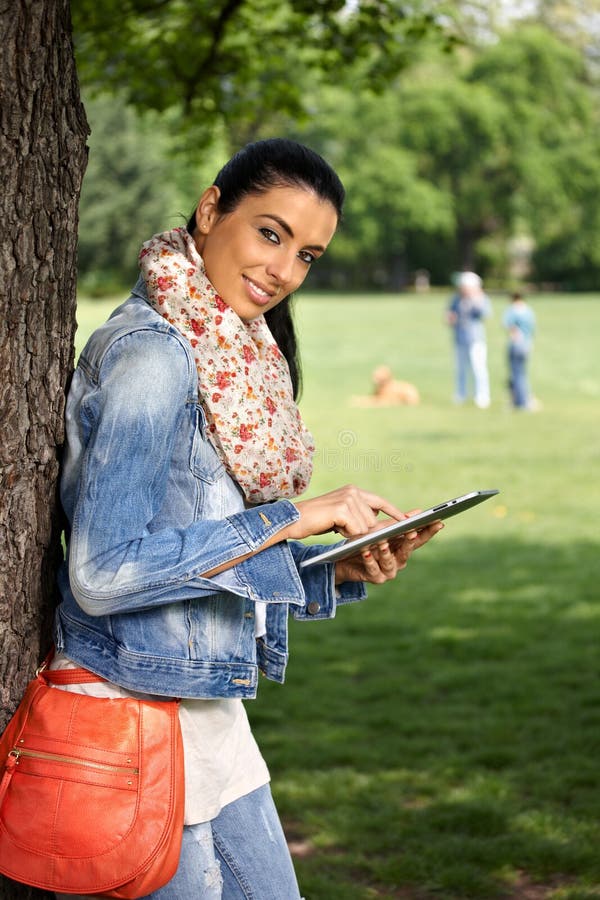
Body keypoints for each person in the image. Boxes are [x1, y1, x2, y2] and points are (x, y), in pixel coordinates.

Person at [51, 138, 443, 900]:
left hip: (204, 714)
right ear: (210, 210)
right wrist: (293, 517)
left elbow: (196, 554)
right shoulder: (154, 357)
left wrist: (333, 565)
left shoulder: (235, 359)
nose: (284, 270)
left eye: (308, 256)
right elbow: (103, 573)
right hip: (127, 721)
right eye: (271, 233)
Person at [446, 271, 492, 408]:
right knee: (461, 368)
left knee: (478, 368)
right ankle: (461, 394)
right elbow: (450, 314)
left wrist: (475, 299)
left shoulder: (480, 298)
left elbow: (485, 314)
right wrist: (450, 318)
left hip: (475, 338)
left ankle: (482, 395)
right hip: (459, 338)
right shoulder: (456, 299)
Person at [503, 290, 536, 409]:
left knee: (515, 374)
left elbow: (508, 325)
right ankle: (524, 400)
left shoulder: (512, 310)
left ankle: (520, 401)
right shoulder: (528, 311)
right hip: (526, 345)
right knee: (522, 373)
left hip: (516, 345)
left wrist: (514, 335)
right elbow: (532, 329)